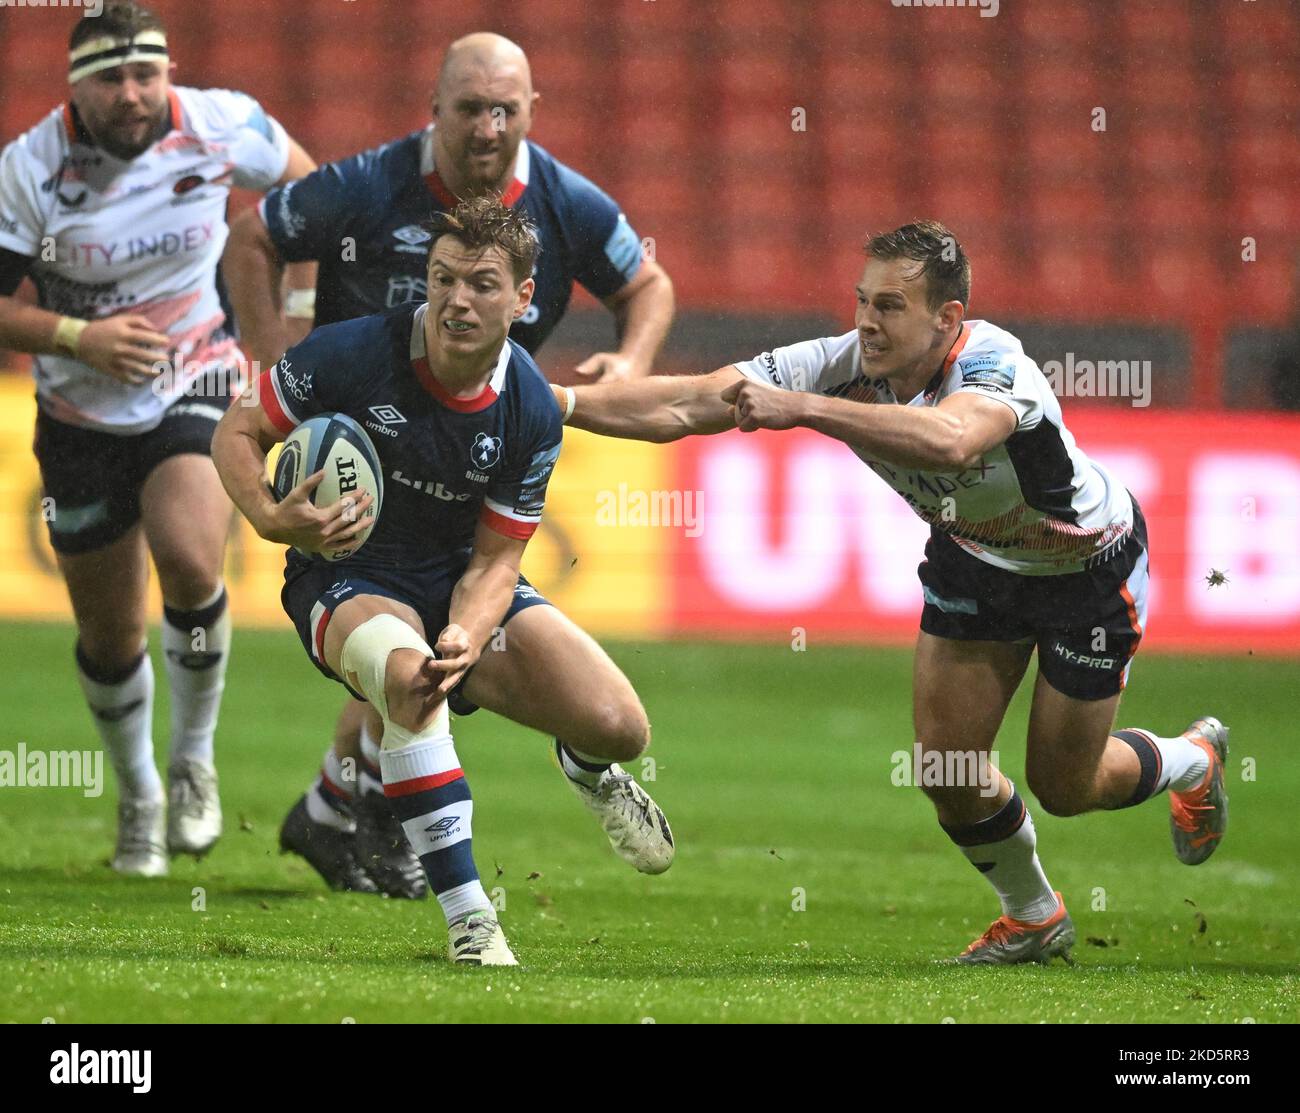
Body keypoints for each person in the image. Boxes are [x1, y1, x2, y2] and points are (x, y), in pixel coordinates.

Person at [553, 220, 1229, 965]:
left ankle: (1190, 758)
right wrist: (559, 404)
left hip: (1086, 571)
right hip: (974, 560)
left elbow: (951, 441)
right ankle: (1033, 914)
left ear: (947, 319)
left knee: (1065, 786)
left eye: (890, 307)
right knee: (948, 771)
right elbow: (687, 404)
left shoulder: (997, 363)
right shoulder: (839, 363)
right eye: (862, 301)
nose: (867, 322)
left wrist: (805, 409)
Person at [221, 32, 675, 898]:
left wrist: (635, 360)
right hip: (361, 462)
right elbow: (254, 238)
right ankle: (422, 864)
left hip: (474, 448)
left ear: (532, 113)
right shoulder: (364, 185)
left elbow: (648, 287)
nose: (489, 126)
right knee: (403, 652)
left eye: (507, 109)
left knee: (480, 652)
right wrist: (270, 358)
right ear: (435, 110)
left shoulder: (566, 203)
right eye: (470, 108)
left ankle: (331, 806)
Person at [0, 1, 316, 876]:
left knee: (188, 554)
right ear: (77, 88)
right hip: (78, 413)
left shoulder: (220, 124)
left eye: (148, 74)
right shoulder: (29, 170)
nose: (134, 94)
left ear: (169, 73)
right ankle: (138, 793)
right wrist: (76, 338)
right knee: (108, 635)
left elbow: (311, 194)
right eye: (112, 78)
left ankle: (192, 762)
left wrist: (293, 316)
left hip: (199, 377)